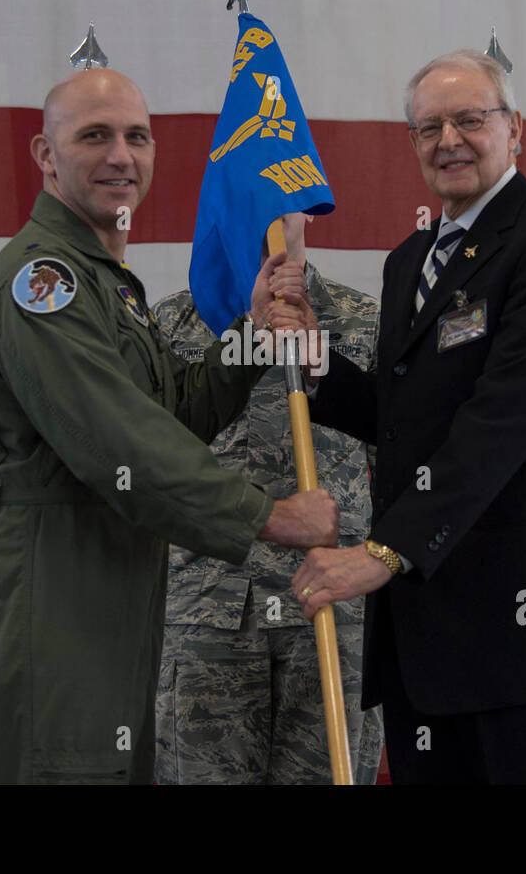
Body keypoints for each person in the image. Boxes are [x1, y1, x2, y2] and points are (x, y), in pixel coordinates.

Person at [0, 68, 338, 784]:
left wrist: (253, 332)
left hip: (100, 611)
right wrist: (268, 516)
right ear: (45, 155)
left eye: (137, 137)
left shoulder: (105, 280)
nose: (122, 155)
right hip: (43, 610)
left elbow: (171, 412)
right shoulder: (40, 283)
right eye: (95, 136)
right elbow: (119, 441)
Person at [286, 48, 526, 784]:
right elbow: (399, 419)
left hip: (519, 628)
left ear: (515, 127)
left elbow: (502, 423)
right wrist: (310, 353)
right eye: (428, 127)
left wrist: (380, 553)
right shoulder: (409, 261)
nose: (449, 141)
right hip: (424, 636)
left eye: (470, 119)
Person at [152, 213, 384, 785]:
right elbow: (146, 468)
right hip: (205, 618)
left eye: (281, 194)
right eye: (246, 191)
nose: (264, 206)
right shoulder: (172, 322)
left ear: (309, 205)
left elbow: (402, 468)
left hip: (333, 615)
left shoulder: (364, 319)